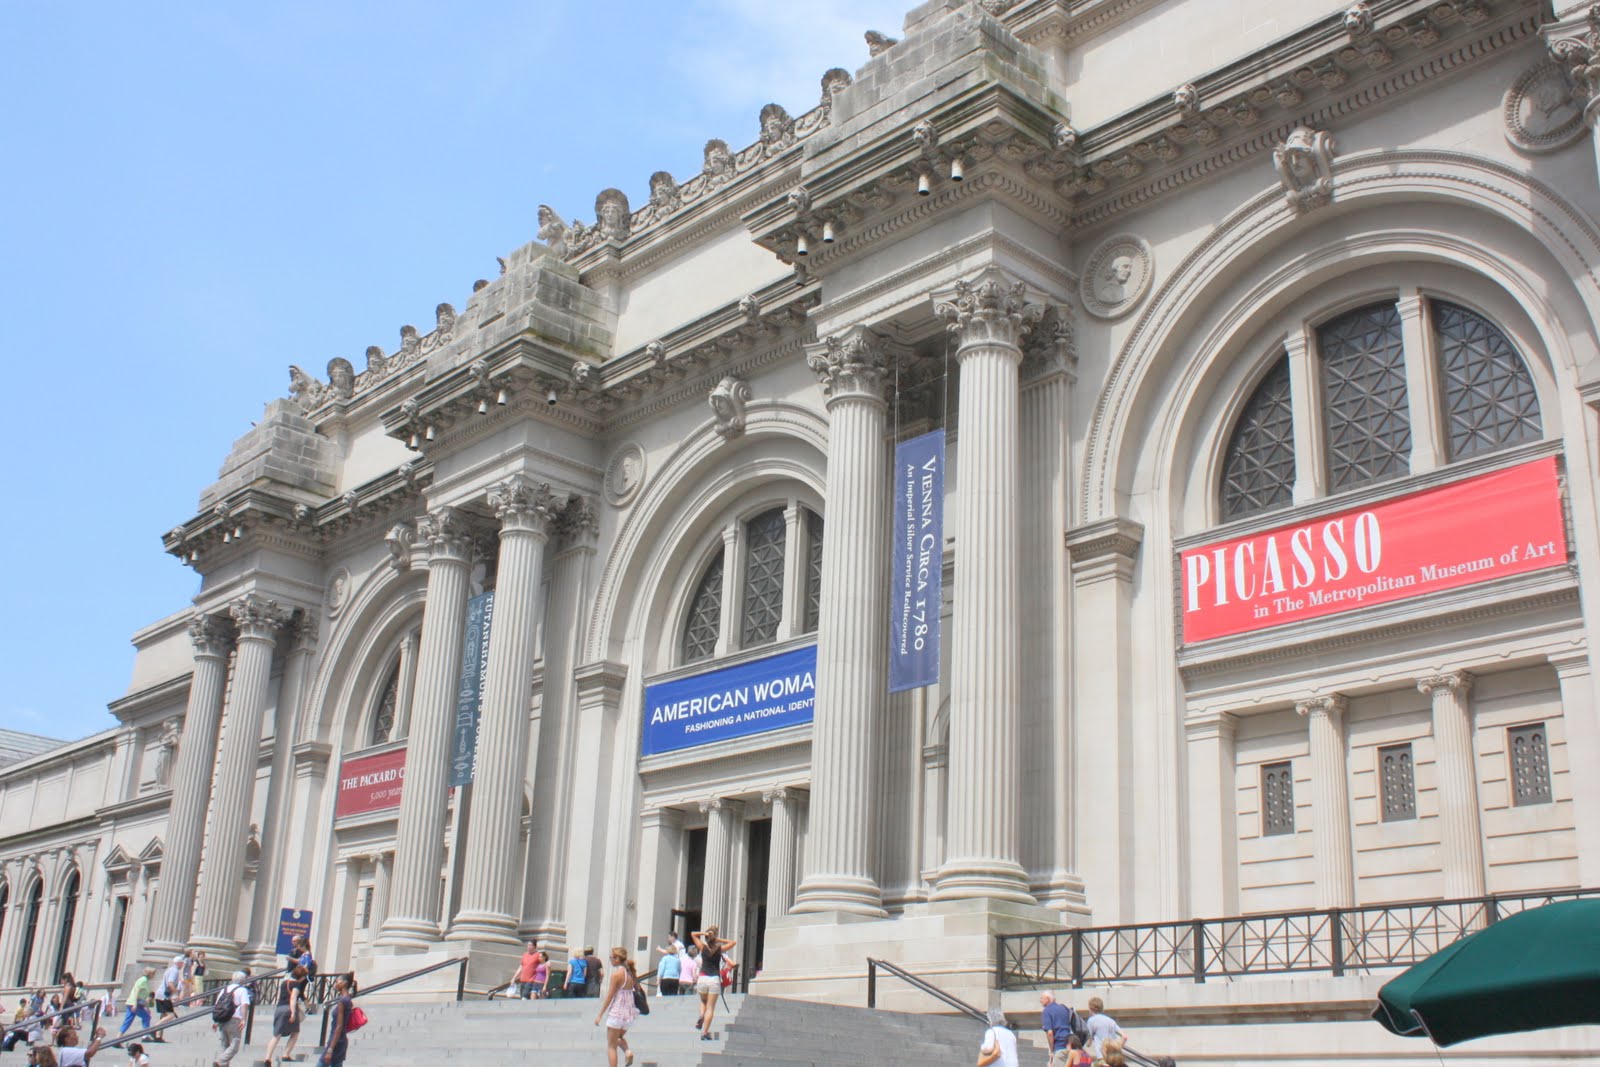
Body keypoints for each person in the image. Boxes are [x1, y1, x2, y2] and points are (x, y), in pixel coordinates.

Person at [591, 947, 639, 1067]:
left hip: (617, 1012)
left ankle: (624, 1055)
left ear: (617, 959)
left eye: (611, 957)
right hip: (628, 1013)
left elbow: (610, 996)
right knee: (618, 1037)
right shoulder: (630, 975)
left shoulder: (616, 975)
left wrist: (600, 1014)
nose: (611, 960)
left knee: (611, 1046)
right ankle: (627, 1051)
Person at [690, 925, 736, 1041]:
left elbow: (693, 934)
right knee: (710, 1007)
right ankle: (704, 1032)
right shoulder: (719, 949)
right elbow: (733, 942)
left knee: (703, 1001)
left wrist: (706, 935)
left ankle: (701, 1015)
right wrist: (718, 939)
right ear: (715, 938)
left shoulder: (702, 947)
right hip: (713, 979)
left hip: (702, 978)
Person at [263, 964, 307, 1066]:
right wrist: (293, 1012)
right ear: (301, 976)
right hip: (288, 1009)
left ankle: (267, 1058)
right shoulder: (296, 984)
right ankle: (286, 1054)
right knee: (295, 1032)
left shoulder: (284, 983)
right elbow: (293, 998)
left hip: (279, 1008)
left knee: (276, 1035)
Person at [211, 970, 250, 1066]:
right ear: (242, 980)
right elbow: (245, 1004)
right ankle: (220, 1062)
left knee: (224, 1045)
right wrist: (244, 1019)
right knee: (235, 1045)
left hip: (222, 1020)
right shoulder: (242, 990)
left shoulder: (224, 989)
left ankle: (221, 1064)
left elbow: (217, 1006)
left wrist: (216, 1021)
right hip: (234, 1019)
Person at [319, 974, 354, 1067]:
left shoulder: (342, 1001)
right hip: (341, 1041)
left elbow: (339, 1026)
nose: (335, 984)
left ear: (344, 983)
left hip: (335, 1041)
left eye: (337, 981)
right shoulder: (348, 1000)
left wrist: (330, 1049)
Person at [1040, 991, 1079, 1067]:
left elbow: (1050, 1033)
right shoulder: (1064, 1008)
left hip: (1059, 1047)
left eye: (1042, 998)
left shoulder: (1047, 1011)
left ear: (1047, 999)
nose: (1040, 1000)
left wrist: (1051, 1050)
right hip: (1070, 1046)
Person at [1083, 997, 1125, 1061]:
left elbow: (1088, 1042)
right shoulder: (1110, 1021)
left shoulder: (1091, 1021)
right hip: (1113, 1057)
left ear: (1091, 1008)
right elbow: (1124, 1037)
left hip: (1102, 1055)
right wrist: (1117, 1048)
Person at [153, 956, 183, 1042]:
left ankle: (158, 1036)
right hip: (164, 996)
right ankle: (154, 1029)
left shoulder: (169, 970)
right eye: (182, 963)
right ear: (179, 963)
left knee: (164, 1015)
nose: (182, 965)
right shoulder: (175, 971)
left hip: (160, 994)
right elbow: (170, 983)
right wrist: (176, 994)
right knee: (171, 1015)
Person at [118, 970, 152, 1036]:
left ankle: (118, 1037)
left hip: (133, 1003)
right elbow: (136, 992)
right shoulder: (143, 981)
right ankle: (145, 1035)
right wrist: (135, 1004)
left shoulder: (144, 980)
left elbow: (143, 995)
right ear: (150, 974)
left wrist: (146, 1007)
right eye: (153, 974)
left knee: (128, 1021)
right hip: (135, 1003)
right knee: (146, 1017)